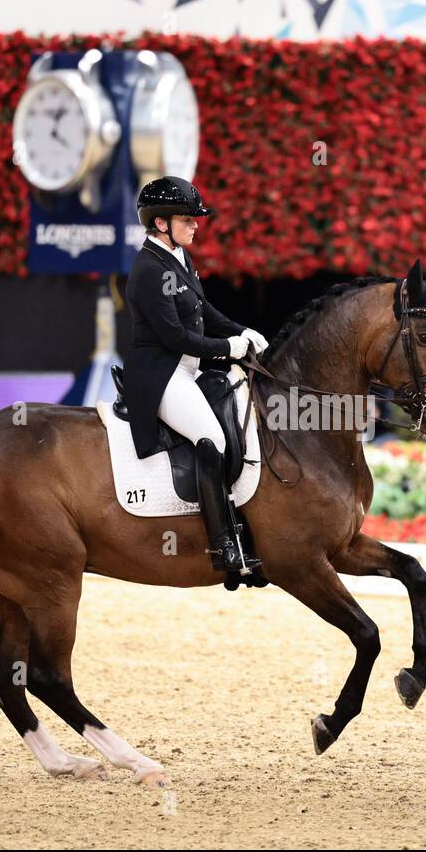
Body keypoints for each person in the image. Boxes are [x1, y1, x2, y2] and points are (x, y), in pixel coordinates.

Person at [124, 176, 270, 575]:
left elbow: (205, 313)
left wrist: (241, 331)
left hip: (189, 369)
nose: (196, 225)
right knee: (213, 438)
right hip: (161, 373)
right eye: (187, 219)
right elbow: (175, 336)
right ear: (160, 224)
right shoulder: (148, 270)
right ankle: (222, 542)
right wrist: (228, 349)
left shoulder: (179, 258)